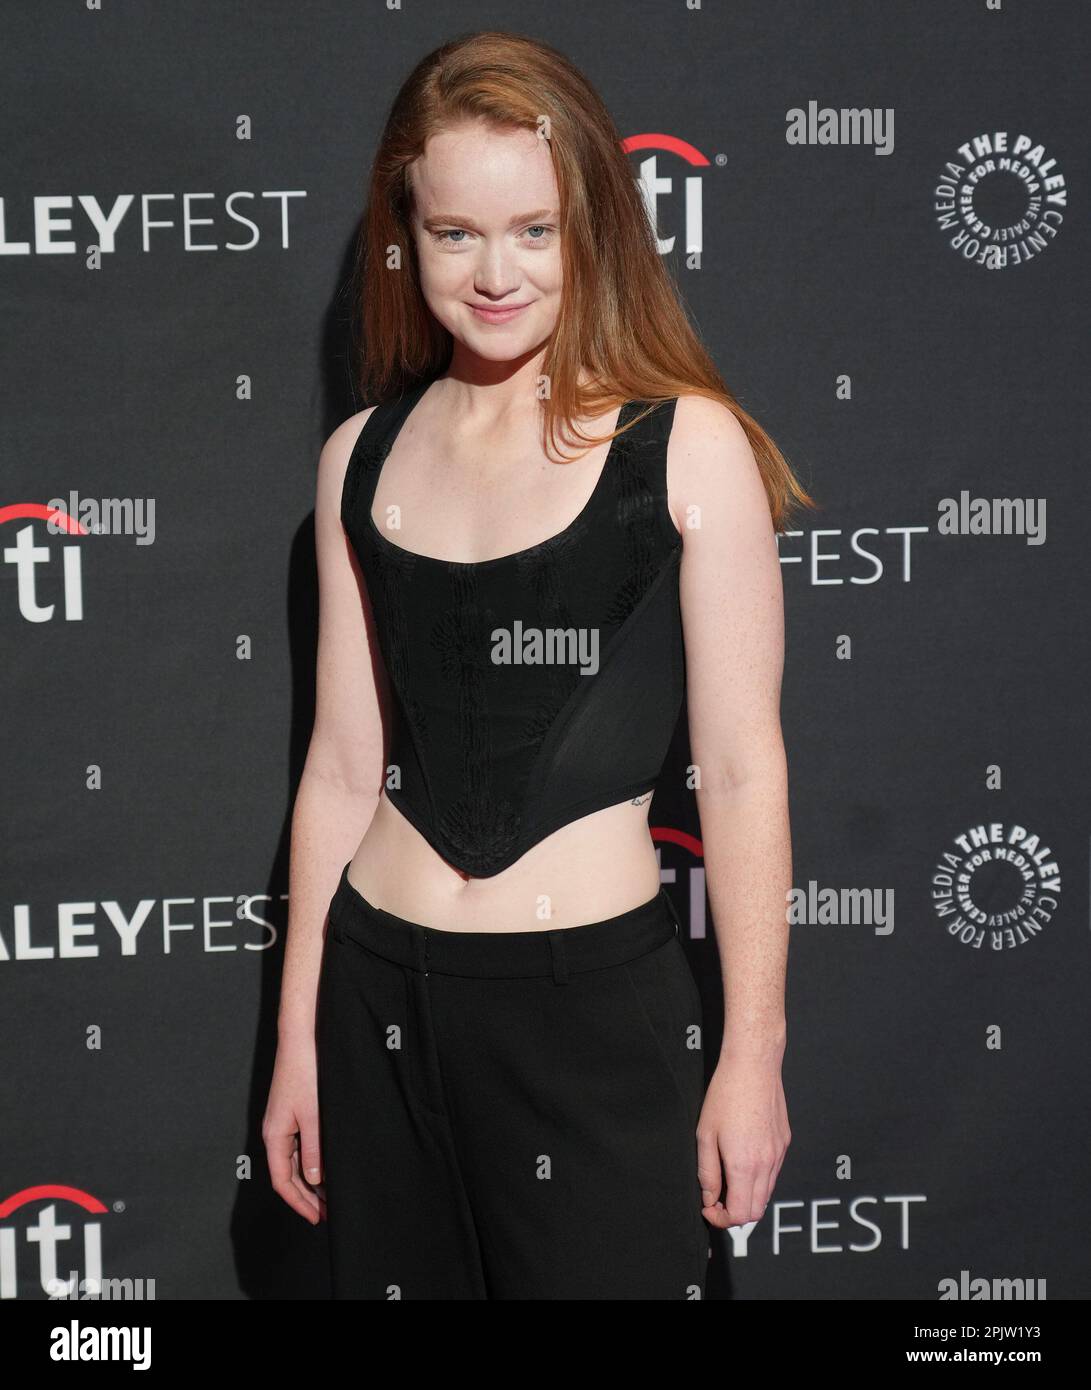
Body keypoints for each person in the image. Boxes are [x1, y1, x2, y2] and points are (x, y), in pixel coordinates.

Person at [263, 29, 814, 1300]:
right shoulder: (359, 456)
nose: (494, 271)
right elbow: (343, 767)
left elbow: (737, 773)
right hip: (376, 1001)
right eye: (455, 232)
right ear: (407, 235)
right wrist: (296, 1039)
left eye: (535, 230)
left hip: (589, 1018)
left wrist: (752, 1051)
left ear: (593, 228)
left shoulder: (686, 445)